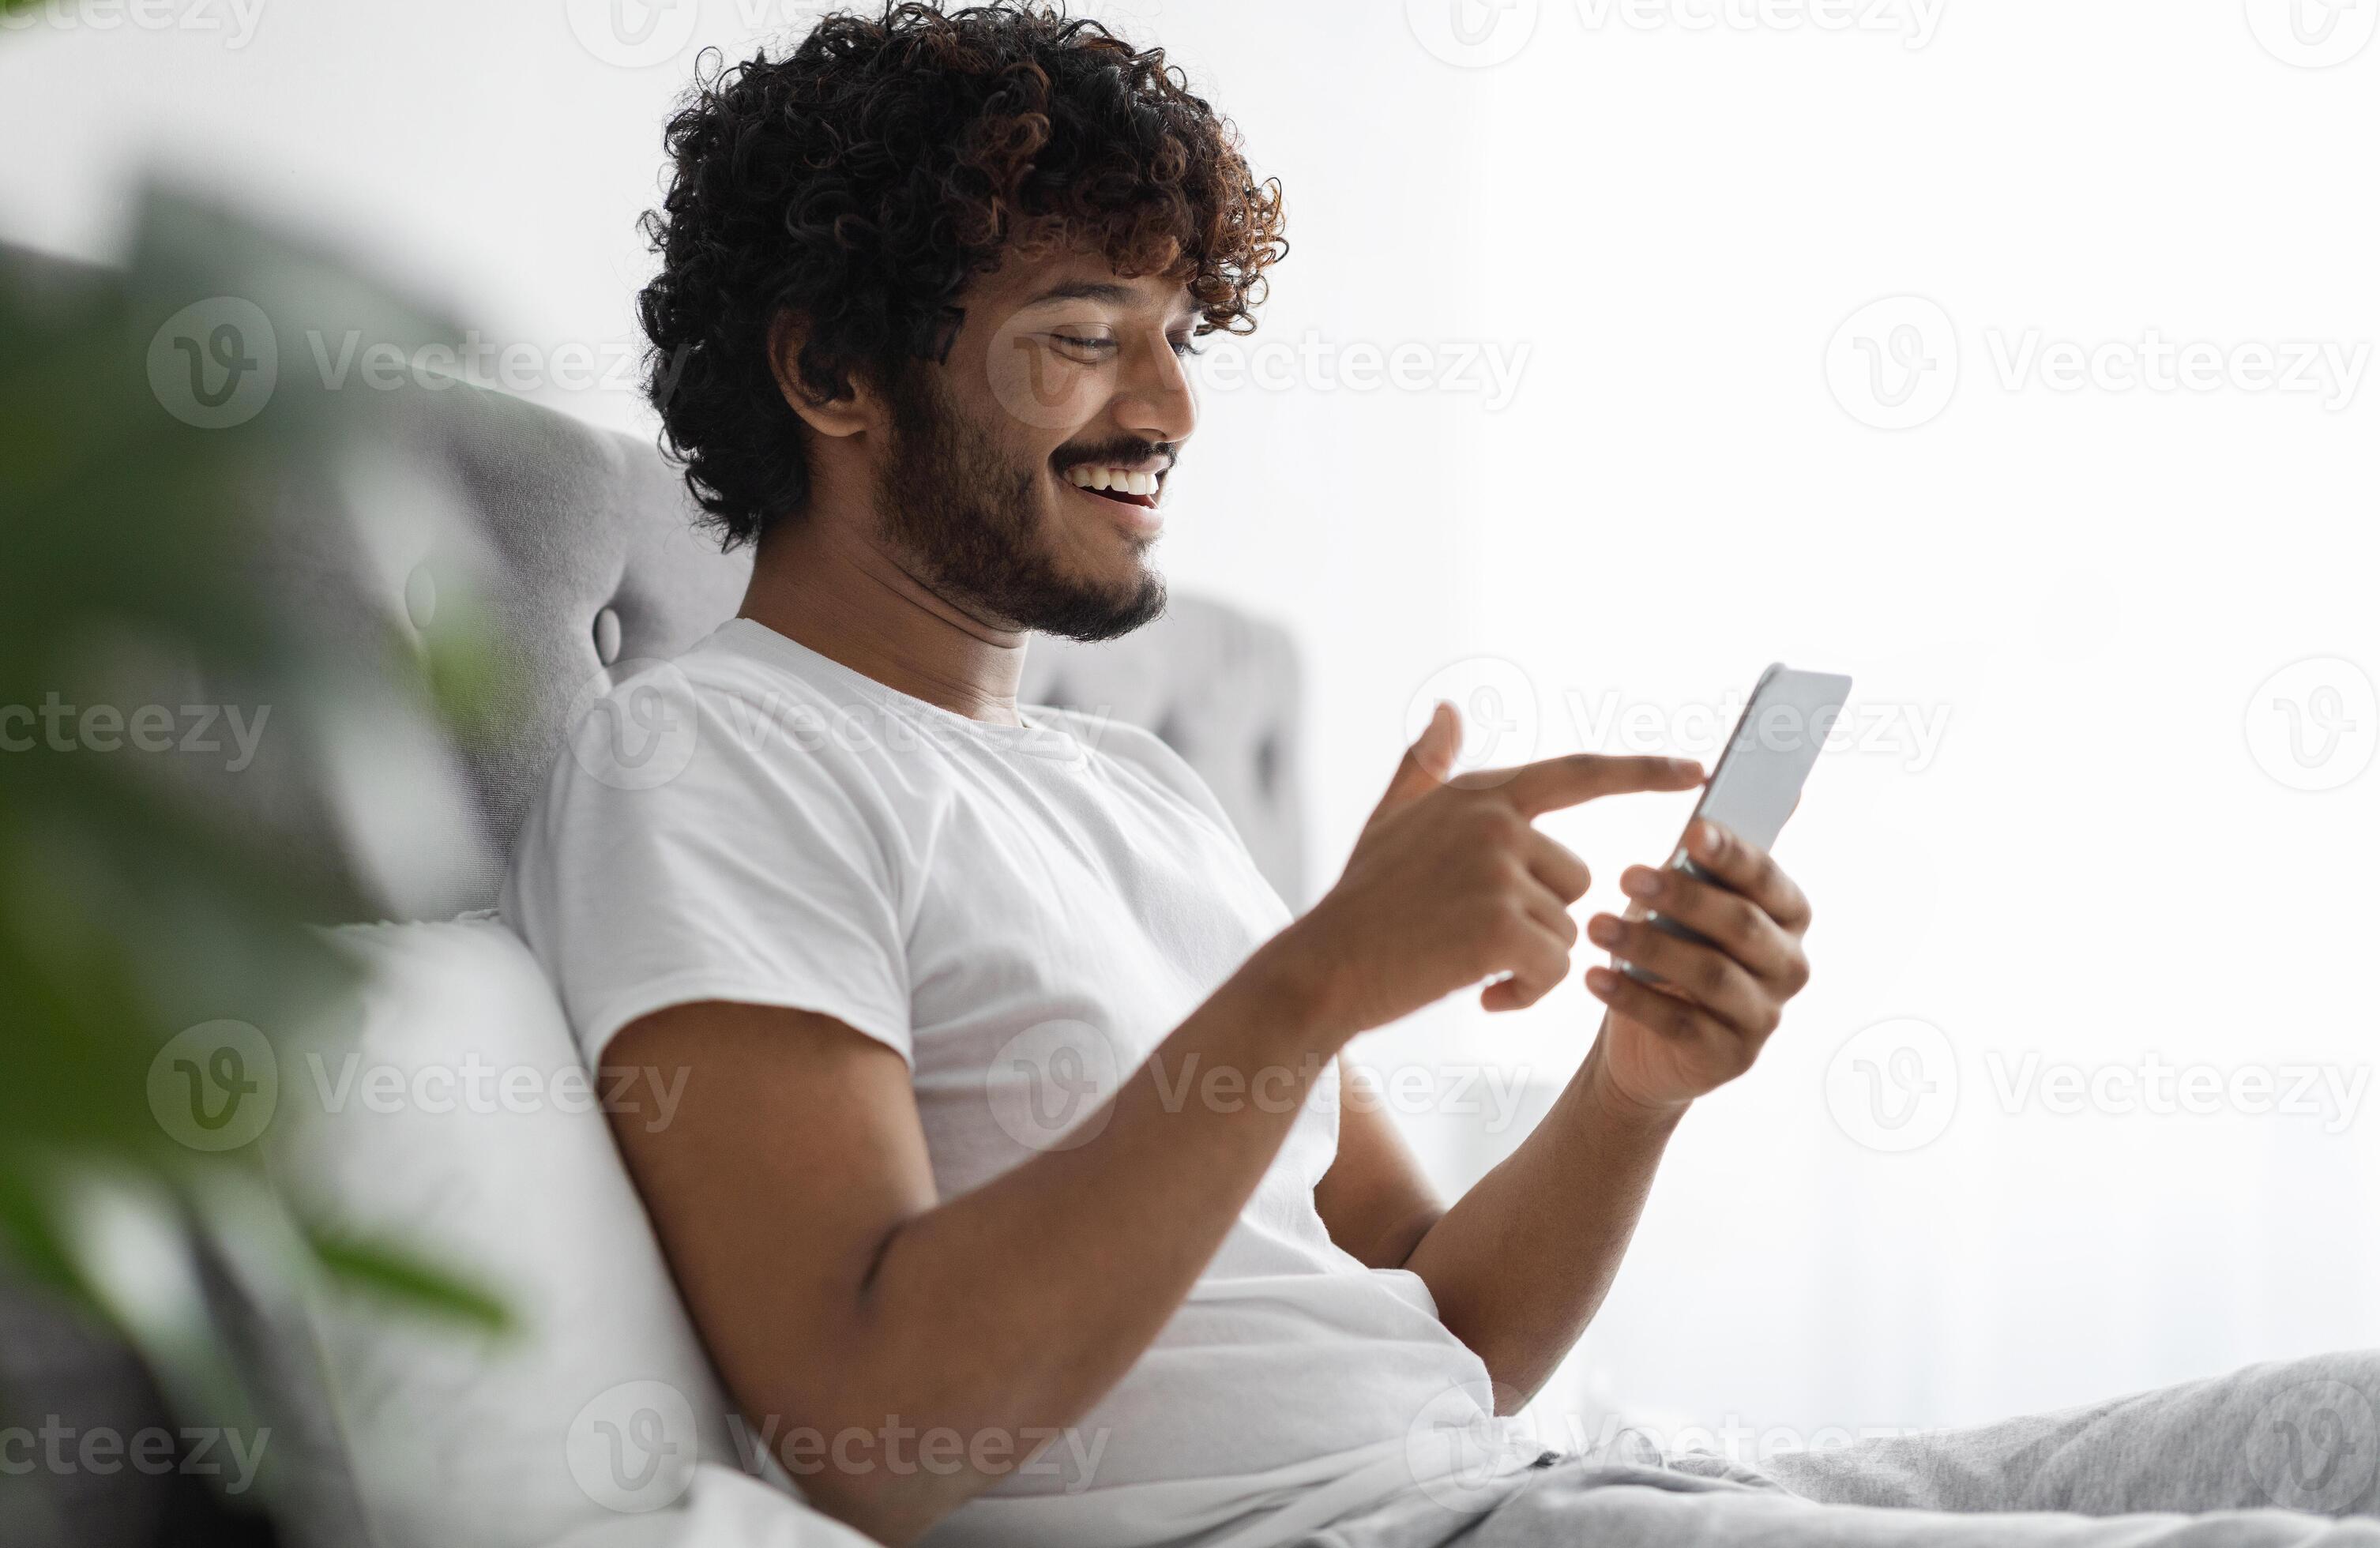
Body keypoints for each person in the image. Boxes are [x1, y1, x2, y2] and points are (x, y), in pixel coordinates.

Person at [502, 5, 2380, 1545]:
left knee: (2345, 1427)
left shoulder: (1126, 790)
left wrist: (1632, 1084)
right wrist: (1320, 973)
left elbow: (1449, 1324)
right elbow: (867, 1424)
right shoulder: (709, 759)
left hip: (1538, 1478)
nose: (1166, 409)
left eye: (1176, 336)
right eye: (1083, 337)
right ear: (833, 372)